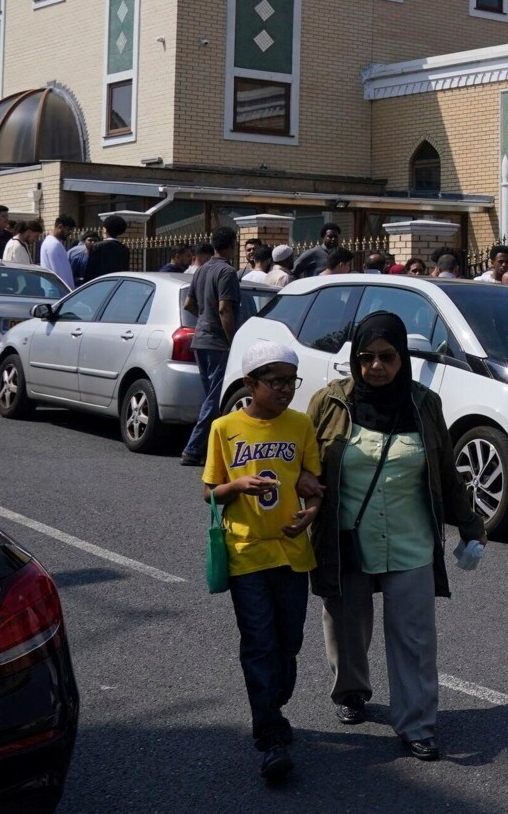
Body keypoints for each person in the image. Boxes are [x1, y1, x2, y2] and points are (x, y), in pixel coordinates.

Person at [309, 312, 487, 761]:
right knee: (347, 626)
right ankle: (351, 691)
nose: (375, 367)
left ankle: (417, 724)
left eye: (386, 357)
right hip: (348, 536)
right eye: (366, 358)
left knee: (414, 637)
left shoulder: (424, 404)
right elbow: (305, 466)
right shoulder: (330, 403)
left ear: (402, 358)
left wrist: (470, 526)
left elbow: (446, 473)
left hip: (410, 541)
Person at [201, 339, 323, 784]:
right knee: (258, 642)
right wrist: (237, 486)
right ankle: (269, 735)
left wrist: (310, 513)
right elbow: (210, 492)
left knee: (288, 641)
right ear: (250, 384)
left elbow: (313, 486)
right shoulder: (224, 428)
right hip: (246, 552)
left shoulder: (300, 425)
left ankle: (274, 702)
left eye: (292, 382)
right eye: (276, 383)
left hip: (292, 553)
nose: (286, 391)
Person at [179, 229, 243, 466]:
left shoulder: (202, 269)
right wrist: (232, 339)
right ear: (232, 246)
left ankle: (209, 449)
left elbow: (189, 304)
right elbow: (225, 309)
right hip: (218, 343)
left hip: (201, 340)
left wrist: (204, 318)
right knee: (213, 399)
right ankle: (192, 449)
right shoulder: (227, 272)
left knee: (210, 397)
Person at [86, 215, 131, 280]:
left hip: (99, 284)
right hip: (117, 283)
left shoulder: (97, 247)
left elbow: (90, 270)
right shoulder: (124, 249)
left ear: (105, 230)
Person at [40, 217, 78, 289]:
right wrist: (68, 291)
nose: (70, 233)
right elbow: (58, 272)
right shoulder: (53, 244)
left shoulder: (53, 242)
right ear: (60, 227)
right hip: (57, 290)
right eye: (68, 229)